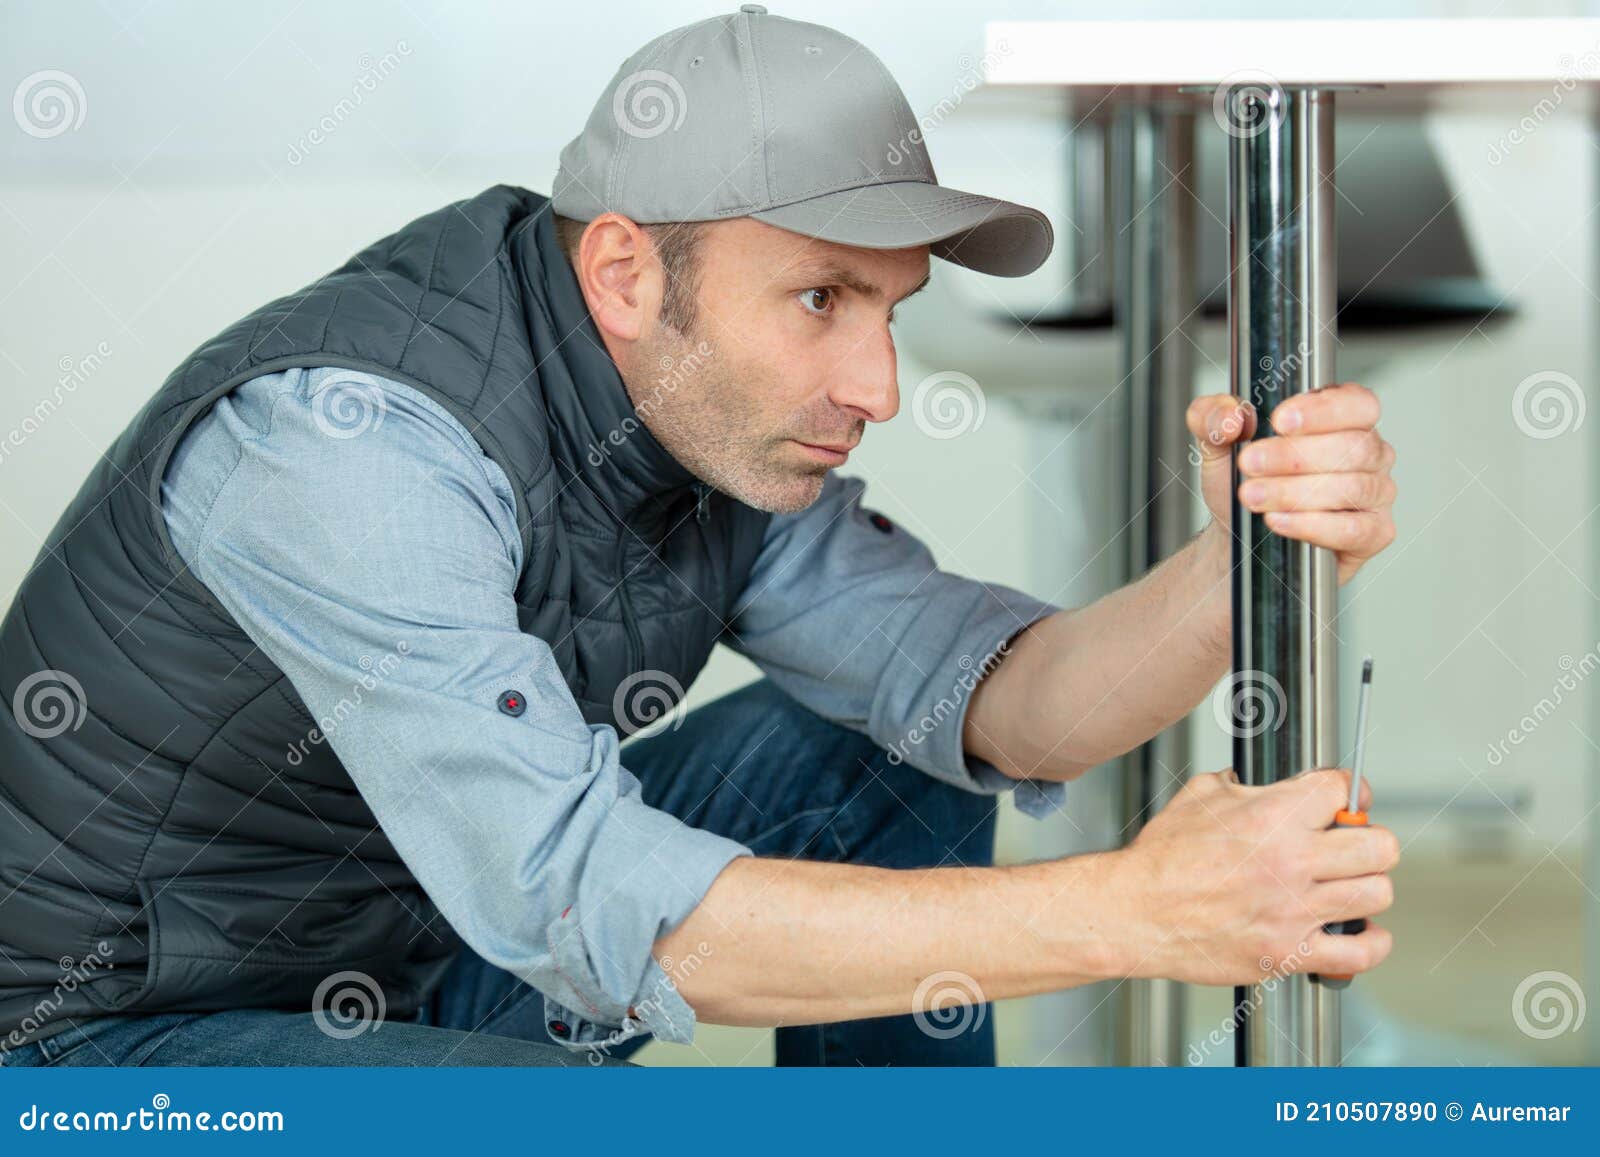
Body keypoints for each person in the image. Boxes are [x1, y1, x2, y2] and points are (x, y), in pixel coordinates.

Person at [0, 6, 1398, 1069]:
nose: (879, 388)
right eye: (819, 300)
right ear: (623, 271)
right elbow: (579, 896)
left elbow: (1001, 702)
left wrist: (1244, 562)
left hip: (418, 963)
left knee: (874, 755)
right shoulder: (346, 447)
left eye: (890, 310)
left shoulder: (707, 427)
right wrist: (1140, 910)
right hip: (114, 1035)